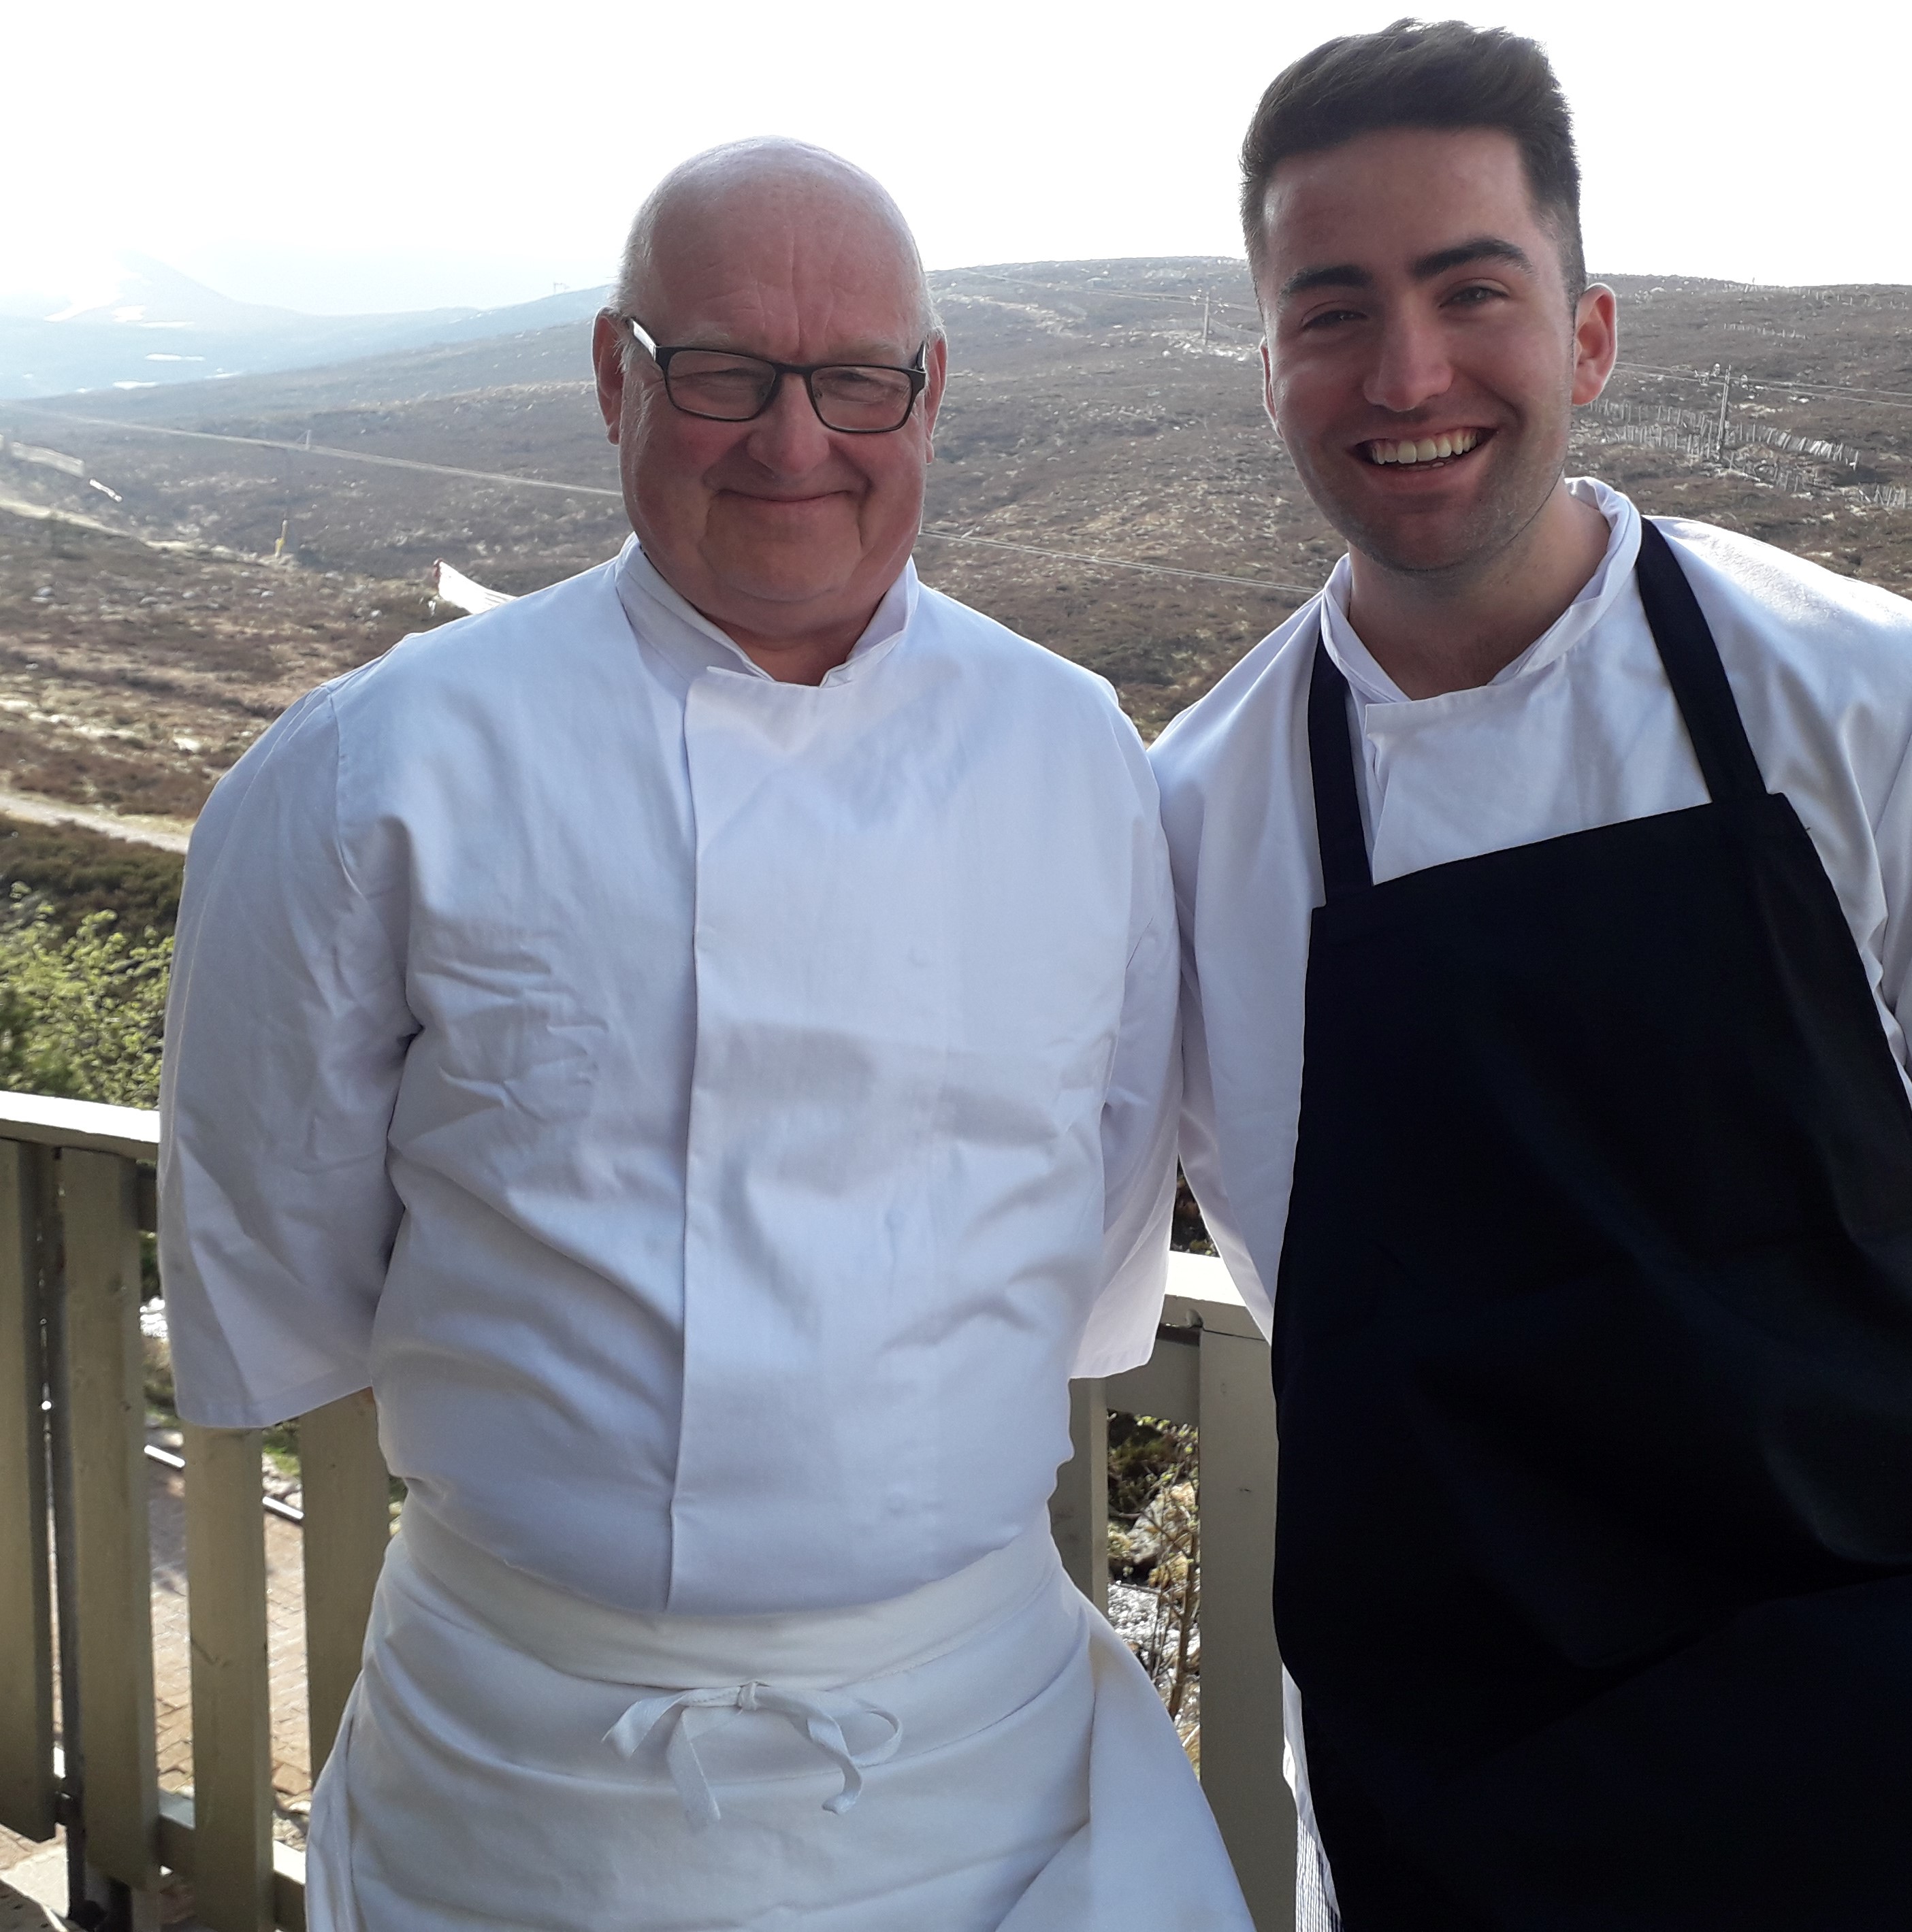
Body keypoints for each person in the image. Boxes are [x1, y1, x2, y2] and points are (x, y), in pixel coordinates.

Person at [1152, 22, 1912, 1931]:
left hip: (1902, 1709)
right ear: (1275, 365)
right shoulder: (1193, 820)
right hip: (1464, 1784)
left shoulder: (1870, 699)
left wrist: (1770, 1417)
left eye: (1475, 291)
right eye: (1334, 311)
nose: (1409, 373)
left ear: (1590, 335)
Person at [161, 138, 1250, 1932]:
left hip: (980, 1775)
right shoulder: (373, 770)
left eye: (857, 382)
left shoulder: (1080, 762)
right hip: (523, 1782)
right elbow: (284, 1261)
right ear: (616, 376)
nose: (796, 442)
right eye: (725, 373)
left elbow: (1092, 1234)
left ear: (932, 394)